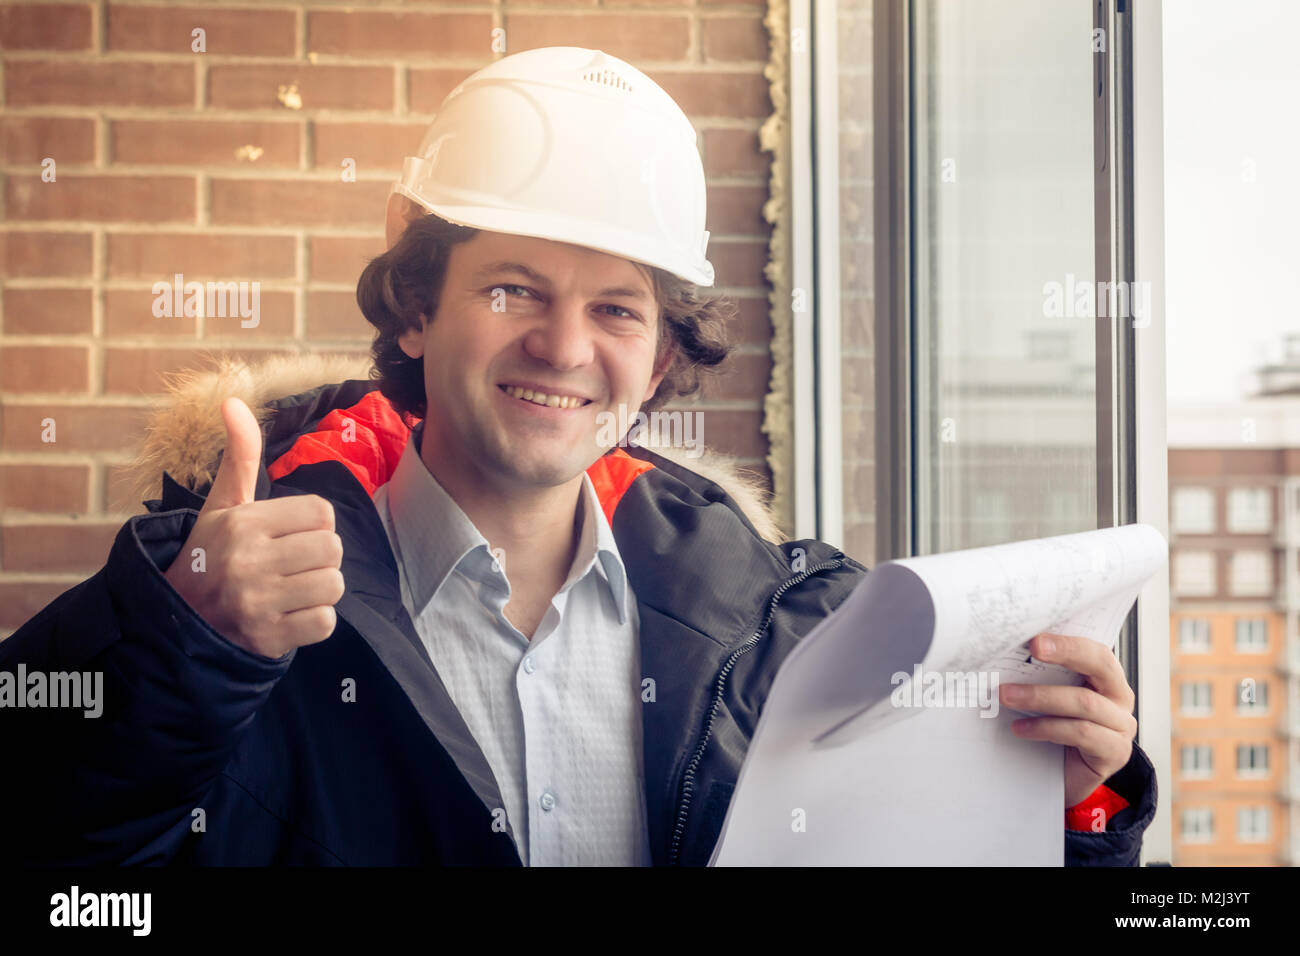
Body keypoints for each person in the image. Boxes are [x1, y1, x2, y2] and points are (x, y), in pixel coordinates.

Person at [0, 46, 1154, 866]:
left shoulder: (781, 628)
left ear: (656, 364)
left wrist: (1066, 812)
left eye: (615, 309)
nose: (562, 347)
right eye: (511, 288)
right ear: (415, 312)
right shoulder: (231, 603)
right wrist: (176, 642)